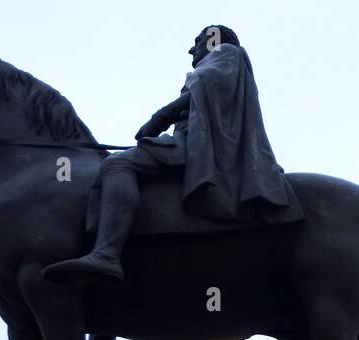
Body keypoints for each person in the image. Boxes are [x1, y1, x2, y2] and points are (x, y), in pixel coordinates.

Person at [43, 24, 296, 285]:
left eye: (197, 41)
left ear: (213, 38)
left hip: (197, 147)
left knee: (117, 165)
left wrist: (159, 119)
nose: (191, 49)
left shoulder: (225, 52)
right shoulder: (225, 61)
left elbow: (207, 86)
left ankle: (106, 253)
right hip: (195, 141)